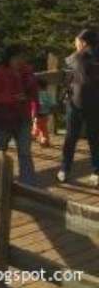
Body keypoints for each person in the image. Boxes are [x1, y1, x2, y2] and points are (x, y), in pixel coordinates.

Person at [0, 45, 38, 185]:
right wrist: (14, 98)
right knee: (0, 152)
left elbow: (34, 94)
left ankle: (29, 185)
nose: (21, 60)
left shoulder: (27, 72)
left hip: (23, 118)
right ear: (9, 58)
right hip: (4, 119)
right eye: (17, 57)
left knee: (25, 153)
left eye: (22, 57)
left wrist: (35, 111)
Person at [58, 29, 99, 186]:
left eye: (76, 41)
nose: (75, 44)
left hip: (76, 103)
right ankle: (96, 171)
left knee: (71, 138)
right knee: (95, 138)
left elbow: (68, 62)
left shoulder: (78, 57)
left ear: (83, 42)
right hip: (95, 103)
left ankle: (64, 169)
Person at [31, 77, 55, 147]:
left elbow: (35, 105)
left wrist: (33, 114)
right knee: (44, 129)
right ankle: (44, 141)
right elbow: (52, 104)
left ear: (38, 86)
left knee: (36, 128)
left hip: (38, 115)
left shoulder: (36, 94)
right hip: (45, 115)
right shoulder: (48, 94)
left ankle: (31, 137)